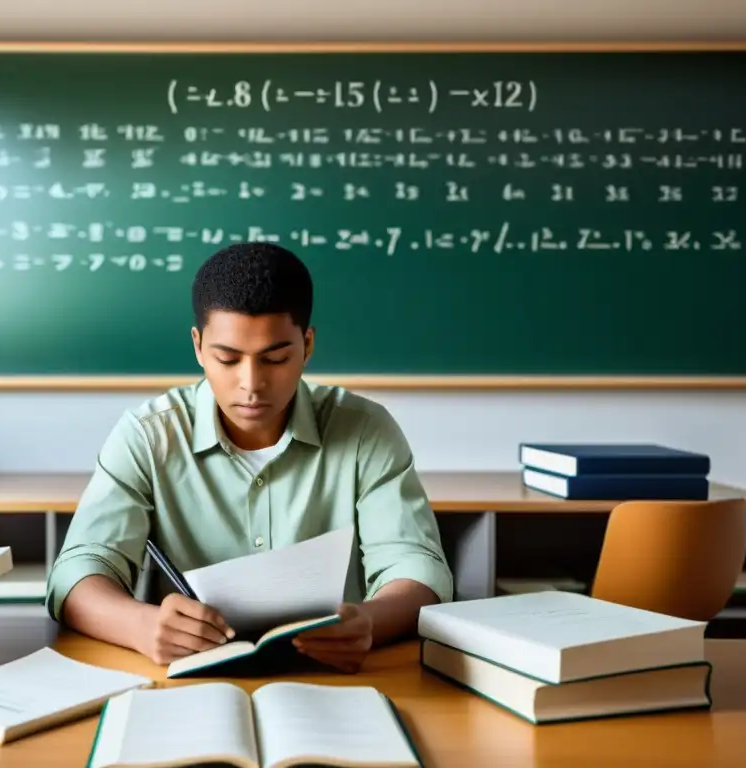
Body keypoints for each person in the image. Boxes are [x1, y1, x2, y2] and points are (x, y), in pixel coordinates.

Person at [45, 242, 452, 673]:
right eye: (228, 359)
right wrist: (140, 626)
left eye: (276, 358)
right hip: (186, 682)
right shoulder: (147, 437)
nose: (251, 384)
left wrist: (369, 622)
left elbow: (418, 568)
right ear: (198, 347)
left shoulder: (366, 431)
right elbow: (78, 572)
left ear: (307, 345)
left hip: (333, 677)